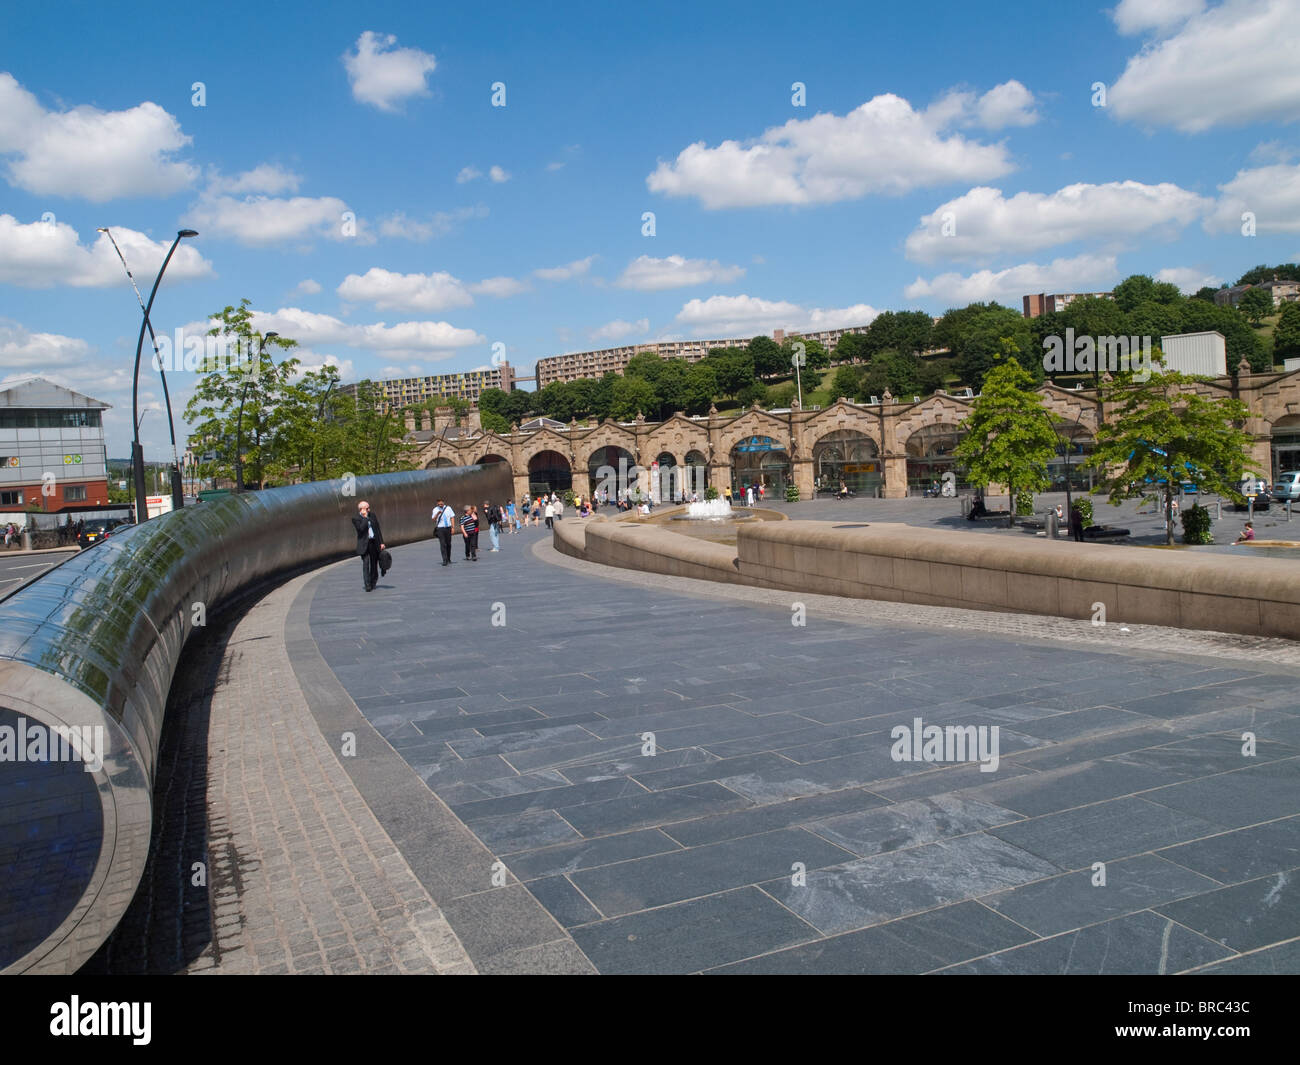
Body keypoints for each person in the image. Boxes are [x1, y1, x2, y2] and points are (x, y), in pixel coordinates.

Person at [351, 500, 385, 592]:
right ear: (362, 509)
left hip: (374, 542)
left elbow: (377, 529)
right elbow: (361, 529)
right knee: (366, 564)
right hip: (364, 544)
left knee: (374, 563)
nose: (369, 509)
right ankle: (367, 585)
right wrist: (365, 518)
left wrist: (381, 542)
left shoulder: (372, 515)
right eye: (367, 508)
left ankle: (373, 581)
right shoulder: (356, 518)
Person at [432, 497, 455, 566]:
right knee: (443, 544)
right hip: (440, 529)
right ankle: (444, 560)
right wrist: (437, 514)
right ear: (437, 503)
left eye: (441, 504)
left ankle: (448, 558)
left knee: (448, 544)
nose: (440, 505)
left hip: (448, 528)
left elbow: (452, 517)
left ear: (443, 502)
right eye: (439, 504)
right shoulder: (435, 509)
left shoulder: (448, 508)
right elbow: (433, 519)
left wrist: (453, 527)